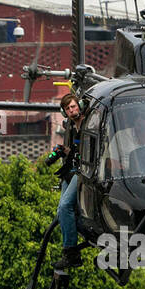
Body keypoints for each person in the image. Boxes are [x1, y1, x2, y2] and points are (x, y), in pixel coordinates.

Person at [48, 92, 86, 270]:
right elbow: (73, 149)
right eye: (68, 108)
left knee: (65, 207)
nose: (71, 110)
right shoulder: (70, 125)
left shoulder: (90, 124)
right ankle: (84, 237)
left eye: (73, 106)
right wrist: (63, 151)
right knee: (62, 214)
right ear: (64, 112)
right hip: (69, 171)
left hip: (84, 171)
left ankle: (71, 253)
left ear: (79, 106)